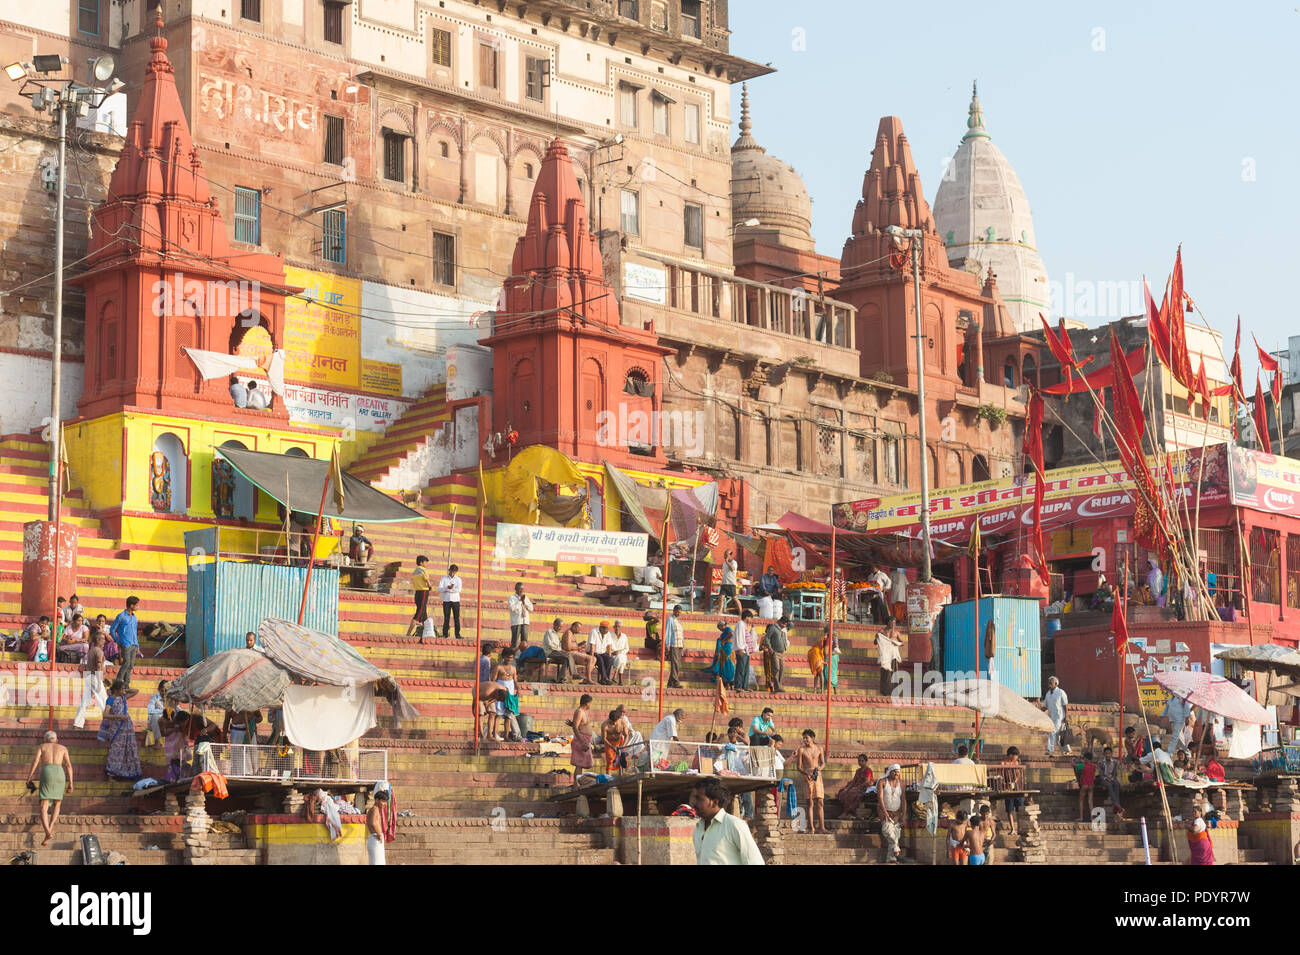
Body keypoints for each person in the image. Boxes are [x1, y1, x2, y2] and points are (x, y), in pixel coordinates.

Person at [691, 776, 764, 865]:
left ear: (714, 802)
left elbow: (754, 861)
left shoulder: (734, 825)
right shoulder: (698, 829)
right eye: (694, 798)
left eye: (699, 799)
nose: (694, 803)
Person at [27, 731, 73, 846]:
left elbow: (36, 761)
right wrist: (71, 783)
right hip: (59, 773)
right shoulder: (63, 748)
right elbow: (68, 765)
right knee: (57, 804)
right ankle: (50, 829)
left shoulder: (42, 746)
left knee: (44, 805)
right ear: (56, 740)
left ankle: (47, 832)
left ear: (45, 739)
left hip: (47, 772)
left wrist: (29, 777)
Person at [98, 679, 141, 780]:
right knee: (115, 751)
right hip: (117, 729)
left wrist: (124, 690)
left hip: (127, 729)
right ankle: (111, 775)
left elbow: (136, 691)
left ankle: (128, 773)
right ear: (116, 690)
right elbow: (105, 714)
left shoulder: (123, 697)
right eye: (121, 689)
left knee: (128, 750)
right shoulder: (111, 700)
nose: (123, 691)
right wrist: (120, 716)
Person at [793, 729, 827, 835]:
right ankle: (811, 828)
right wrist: (806, 773)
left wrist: (819, 769)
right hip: (807, 776)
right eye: (803, 738)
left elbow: (823, 763)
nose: (804, 740)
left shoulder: (819, 748)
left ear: (812, 738)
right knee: (810, 803)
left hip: (818, 776)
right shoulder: (801, 750)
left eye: (806, 738)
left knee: (820, 802)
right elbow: (798, 767)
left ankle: (822, 828)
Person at [110, 596, 141, 689]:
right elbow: (112, 629)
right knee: (126, 662)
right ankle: (118, 682)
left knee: (131, 665)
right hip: (125, 644)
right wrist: (117, 640)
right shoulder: (121, 616)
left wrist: (137, 646)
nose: (138, 607)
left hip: (134, 644)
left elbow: (134, 632)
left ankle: (126, 684)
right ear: (131, 605)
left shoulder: (134, 618)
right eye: (136, 605)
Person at [878, 763, 905, 862]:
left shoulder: (901, 784)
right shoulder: (882, 782)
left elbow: (903, 800)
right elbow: (880, 799)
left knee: (896, 834)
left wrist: (903, 815)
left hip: (896, 813)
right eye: (894, 771)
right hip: (884, 811)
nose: (896, 773)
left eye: (898, 772)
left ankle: (890, 858)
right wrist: (885, 813)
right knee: (888, 831)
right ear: (890, 772)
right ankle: (896, 848)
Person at [492, 648, 520, 741]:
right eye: (508, 657)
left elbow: (515, 680)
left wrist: (518, 689)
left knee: (508, 716)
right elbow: (493, 680)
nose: (509, 659)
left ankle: (506, 736)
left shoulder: (513, 668)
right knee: (498, 715)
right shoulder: (498, 667)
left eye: (511, 658)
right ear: (503, 657)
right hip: (500, 694)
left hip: (510, 695)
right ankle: (495, 734)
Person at [567, 694, 594, 785]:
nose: (590, 705)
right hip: (580, 740)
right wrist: (582, 742)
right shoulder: (579, 712)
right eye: (590, 703)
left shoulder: (583, 711)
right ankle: (576, 785)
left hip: (585, 740)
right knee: (579, 765)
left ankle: (578, 784)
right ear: (587, 703)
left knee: (581, 765)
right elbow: (575, 727)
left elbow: (578, 725)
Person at [541, 617, 576, 682]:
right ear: (554, 625)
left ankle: (560, 678)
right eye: (559, 626)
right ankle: (574, 674)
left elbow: (559, 646)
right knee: (568, 656)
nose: (560, 628)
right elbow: (550, 645)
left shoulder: (557, 634)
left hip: (557, 652)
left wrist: (562, 650)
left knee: (566, 659)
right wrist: (560, 650)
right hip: (550, 652)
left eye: (561, 627)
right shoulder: (549, 632)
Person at [704, 619, 736, 689]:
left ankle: (731, 683)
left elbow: (731, 634)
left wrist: (724, 641)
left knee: (729, 665)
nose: (720, 630)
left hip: (728, 649)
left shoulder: (728, 629)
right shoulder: (724, 632)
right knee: (725, 666)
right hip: (725, 650)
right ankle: (728, 684)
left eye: (719, 628)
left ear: (722, 626)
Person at [1043, 676, 1071, 756]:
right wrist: (1038, 711)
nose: (1049, 684)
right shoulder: (1048, 694)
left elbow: (1065, 706)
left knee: (1052, 731)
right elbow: (1045, 706)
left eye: (1051, 683)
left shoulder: (1061, 692)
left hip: (1060, 717)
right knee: (1060, 736)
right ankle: (1067, 750)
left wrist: (1066, 717)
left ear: (1055, 683)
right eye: (1049, 683)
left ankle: (1050, 750)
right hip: (1051, 717)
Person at [876, 619, 905, 695]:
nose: (893, 624)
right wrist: (877, 637)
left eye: (894, 623)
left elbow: (902, 643)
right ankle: (884, 691)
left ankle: (893, 691)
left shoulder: (896, 633)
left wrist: (895, 642)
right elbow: (875, 642)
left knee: (893, 672)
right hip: (885, 655)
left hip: (893, 655)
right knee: (885, 673)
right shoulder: (882, 632)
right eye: (892, 622)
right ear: (888, 622)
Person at [762, 615, 790, 693]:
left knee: (782, 669)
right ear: (780, 622)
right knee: (776, 669)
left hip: (782, 653)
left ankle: (779, 685)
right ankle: (777, 686)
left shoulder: (783, 629)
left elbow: (792, 625)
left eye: (785, 624)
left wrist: (788, 620)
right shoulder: (773, 628)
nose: (784, 626)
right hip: (775, 652)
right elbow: (767, 638)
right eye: (783, 623)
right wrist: (770, 649)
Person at [406, 555, 431, 639]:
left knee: (424, 613)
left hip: (417, 593)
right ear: (421, 563)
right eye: (425, 562)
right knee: (419, 612)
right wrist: (430, 586)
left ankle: (426, 631)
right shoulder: (423, 570)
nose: (426, 564)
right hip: (424, 591)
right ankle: (408, 633)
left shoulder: (415, 571)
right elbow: (427, 580)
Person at [733, 609, 758, 690]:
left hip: (746, 651)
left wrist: (752, 629)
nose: (751, 620)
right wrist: (740, 648)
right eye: (751, 618)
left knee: (745, 669)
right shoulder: (740, 624)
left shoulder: (745, 625)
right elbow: (739, 637)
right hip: (742, 650)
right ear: (747, 617)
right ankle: (738, 686)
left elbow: (749, 637)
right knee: (741, 668)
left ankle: (745, 686)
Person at [1003, 746, 1025, 835]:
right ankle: (1013, 829)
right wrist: (1006, 783)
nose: (1017, 757)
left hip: (1018, 789)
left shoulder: (1017, 763)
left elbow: (1018, 774)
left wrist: (1015, 781)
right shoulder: (1003, 763)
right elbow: (1000, 775)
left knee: (1019, 810)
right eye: (1016, 755)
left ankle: (1019, 828)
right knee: (1010, 810)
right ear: (1011, 755)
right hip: (1008, 789)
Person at [438, 563, 463, 639]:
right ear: (449, 570)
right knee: (446, 618)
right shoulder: (444, 579)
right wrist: (447, 588)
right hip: (446, 600)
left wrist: (449, 590)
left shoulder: (458, 579)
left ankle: (457, 634)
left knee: (456, 618)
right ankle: (445, 634)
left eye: (454, 572)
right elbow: (439, 589)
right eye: (451, 571)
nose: (452, 573)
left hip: (455, 600)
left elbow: (458, 589)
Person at [367, 788, 391, 865]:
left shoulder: (374, 809)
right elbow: (373, 823)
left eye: (385, 802)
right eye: (383, 801)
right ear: (377, 800)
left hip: (374, 838)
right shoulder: (374, 809)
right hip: (375, 838)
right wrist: (380, 834)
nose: (385, 804)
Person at [1098, 745, 1123, 817]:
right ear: (1104, 754)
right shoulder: (1100, 763)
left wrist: (1111, 778)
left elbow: (1115, 774)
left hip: (1112, 778)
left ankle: (1116, 804)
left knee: (1116, 784)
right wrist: (1106, 779)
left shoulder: (1115, 762)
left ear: (1111, 754)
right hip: (1104, 779)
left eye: (1109, 753)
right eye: (1106, 753)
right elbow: (1101, 775)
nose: (1108, 755)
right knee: (1109, 785)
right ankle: (1117, 805)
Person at [507, 581, 533, 648]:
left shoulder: (526, 598)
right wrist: (520, 601)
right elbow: (512, 608)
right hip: (516, 622)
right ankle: (513, 656)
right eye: (520, 589)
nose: (521, 591)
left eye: (522, 589)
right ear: (515, 589)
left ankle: (523, 657)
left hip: (525, 622)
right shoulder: (512, 598)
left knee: (524, 643)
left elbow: (531, 609)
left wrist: (524, 602)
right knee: (514, 642)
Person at [665, 604, 685, 688]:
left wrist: (683, 645)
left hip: (679, 645)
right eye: (677, 612)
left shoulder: (678, 621)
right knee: (675, 664)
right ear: (673, 611)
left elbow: (681, 634)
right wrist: (667, 644)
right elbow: (667, 632)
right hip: (673, 644)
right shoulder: (670, 619)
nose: (678, 613)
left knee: (676, 664)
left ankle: (670, 683)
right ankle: (676, 682)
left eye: (679, 612)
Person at [599, 708, 626, 774]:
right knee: (610, 761)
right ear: (609, 719)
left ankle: (622, 779)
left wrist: (624, 745)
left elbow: (626, 735)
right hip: (609, 743)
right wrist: (612, 746)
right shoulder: (605, 725)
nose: (614, 723)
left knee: (622, 761)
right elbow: (604, 738)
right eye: (612, 721)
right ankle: (609, 780)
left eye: (615, 721)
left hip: (620, 742)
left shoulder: (622, 722)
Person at [588, 620, 615, 684]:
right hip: (592, 652)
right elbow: (592, 646)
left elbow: (609, 646)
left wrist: (609, 656)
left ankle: (606, 678)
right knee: (600, 659)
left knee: (610, 659)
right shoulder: (594, 632)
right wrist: (591, 658)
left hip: (602, 653)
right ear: (601, 628)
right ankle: (604, 678)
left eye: (607, 629)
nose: (606, 631)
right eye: (605, 629)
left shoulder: (608, 633)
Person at [145, 680, 167, 748]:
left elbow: (177, 709)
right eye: (162, 691)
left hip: (167, 723)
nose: (164, 693)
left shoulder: (170, 698)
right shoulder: (154, 697)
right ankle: (157, 742)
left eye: (166, 691)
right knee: (155, 716)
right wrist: (163, 711)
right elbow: (150, 710)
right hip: (154, 723)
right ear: (159, 690)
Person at [718, 550, 741, 615]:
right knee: (721, 598)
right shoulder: (724, 563)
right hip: (724, 583)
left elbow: (732, 569)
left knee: (735, 598)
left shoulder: (734, 562)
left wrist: (727, 562)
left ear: (730, 555)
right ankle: (719, 612)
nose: (725, 556)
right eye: (724, 555)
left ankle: (741, 613)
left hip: (731, 584)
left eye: (726, 555)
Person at [608, 620, 631, 686]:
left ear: (621, 627)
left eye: (619, 626)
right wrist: (613, 652)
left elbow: (627, 648)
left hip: (621, 654)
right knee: (622, 659)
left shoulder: (624, 636)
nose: (617, 628)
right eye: (616, 626)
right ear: (613, 627)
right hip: (612, 655)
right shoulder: (609, 635)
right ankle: (620, 679)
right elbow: (607, 646)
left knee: (621, 657)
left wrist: (620, 652)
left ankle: (615, 673)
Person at [1078, 750, 1097, 822]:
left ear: (1086, 759)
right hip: (1091, 785)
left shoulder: (1082, 766)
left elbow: (1073, 765)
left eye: (1084, 758)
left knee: (1081, 801)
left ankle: (1081, 817)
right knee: (1090, 801)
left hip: (1084, 785)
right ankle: (1092, 818)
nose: (1083, 759)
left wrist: (1073, 760)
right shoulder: (1094, 766)